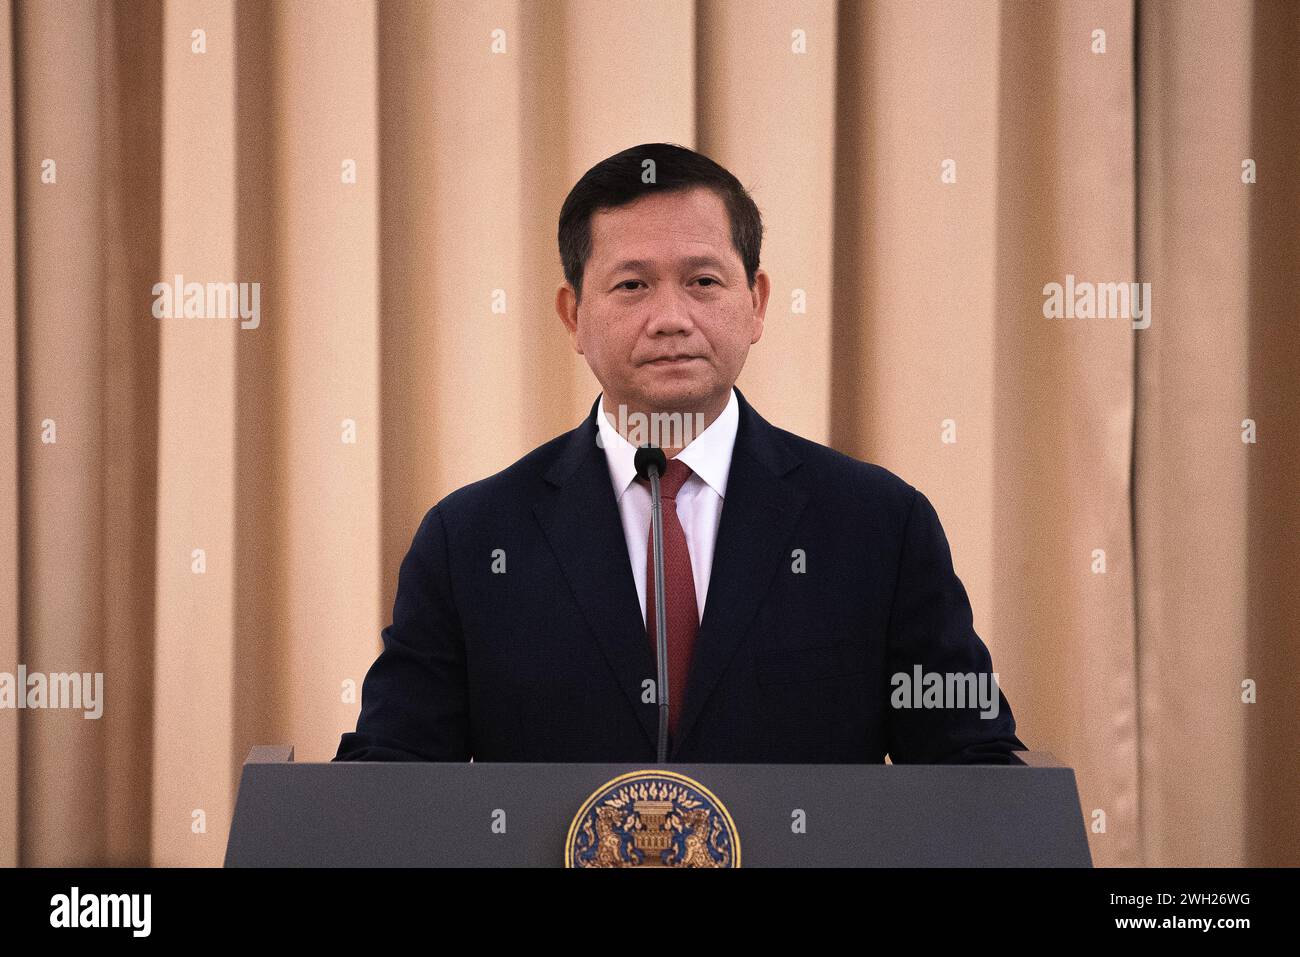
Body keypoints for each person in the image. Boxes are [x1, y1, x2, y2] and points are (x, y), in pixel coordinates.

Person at [334, 142, 1026, 764]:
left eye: (702, 281)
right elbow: (395, 779)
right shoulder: (470, 539)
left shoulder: (880, 525)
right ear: (573, 314)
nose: (671, 317)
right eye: (632, 285)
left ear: (755, 303)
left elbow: (973, 768)